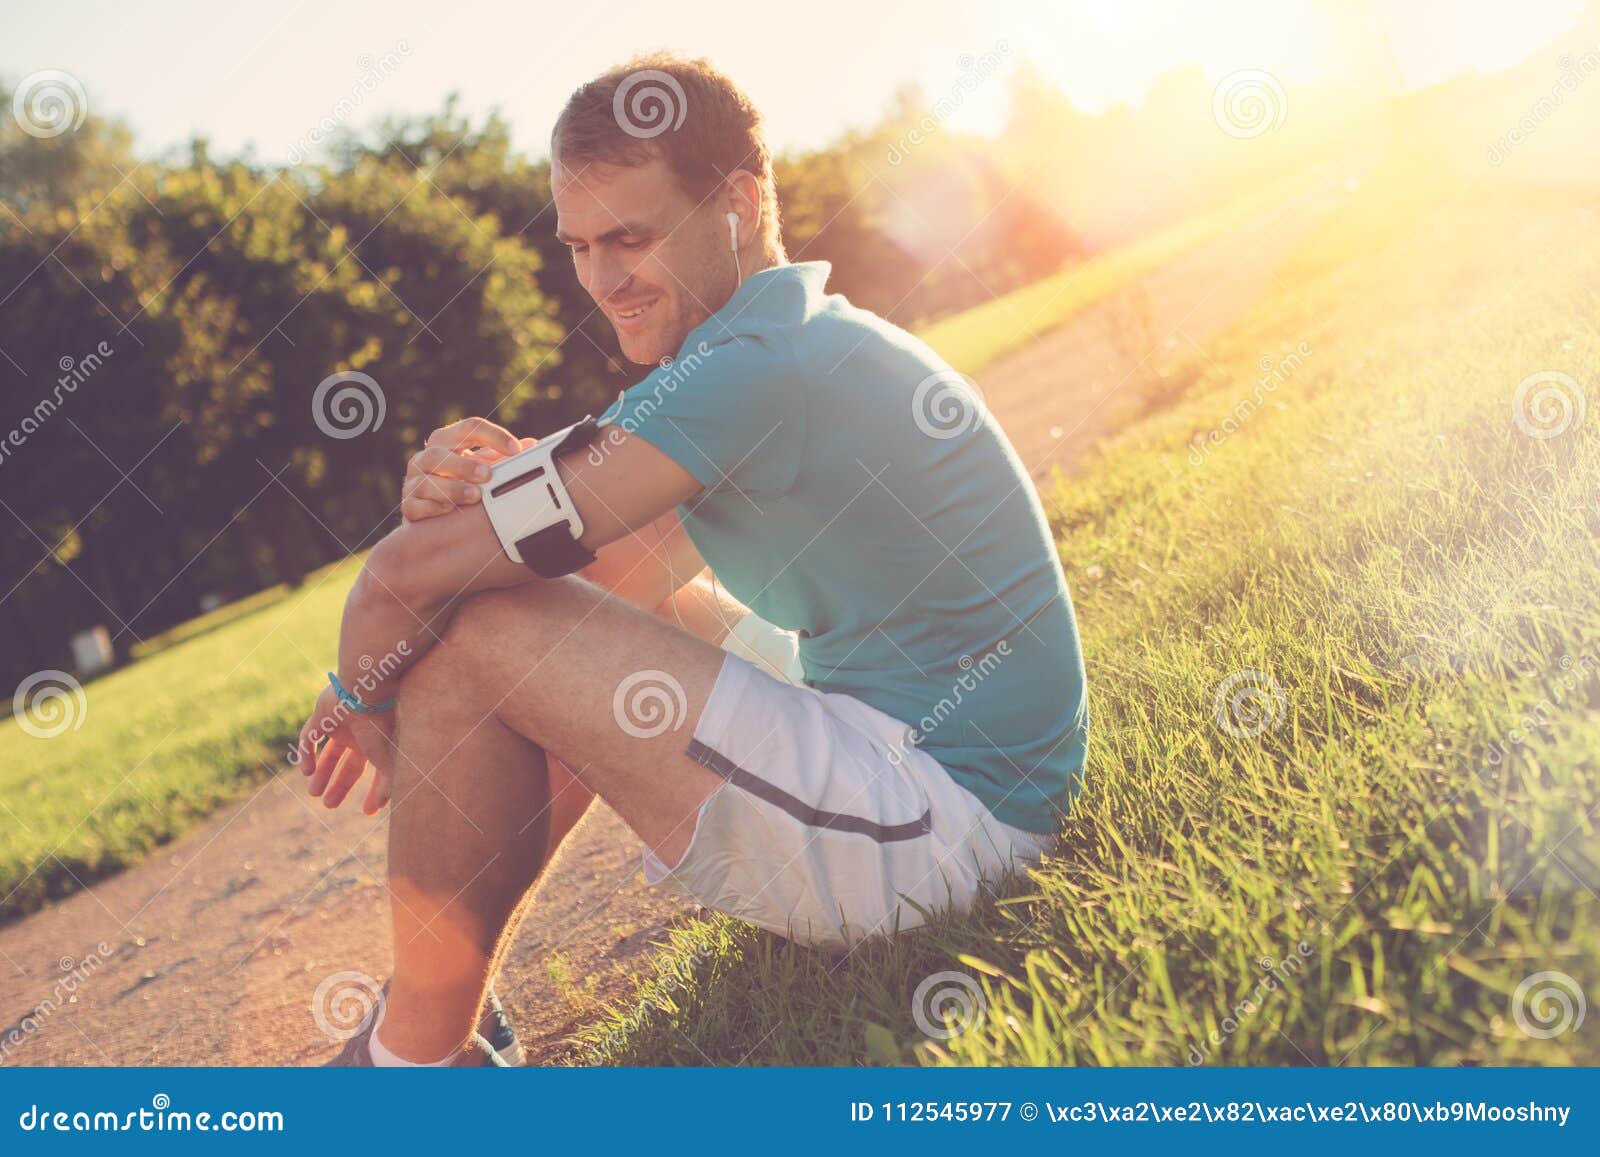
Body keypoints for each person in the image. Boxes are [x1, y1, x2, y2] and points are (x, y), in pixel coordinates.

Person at [301, 52, 1088, 1067]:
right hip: (955, 770)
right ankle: (440, 998)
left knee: (487, 625)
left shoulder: (745, 375)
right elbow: (577, 573)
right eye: (579, 244)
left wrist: (360, 693)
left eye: (630, 236)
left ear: (738, 201)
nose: (602, 277)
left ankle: (406, 1069)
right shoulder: (774, 346)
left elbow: (407, 577)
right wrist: (462, 489)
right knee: (546, 608)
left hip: (946, 828)